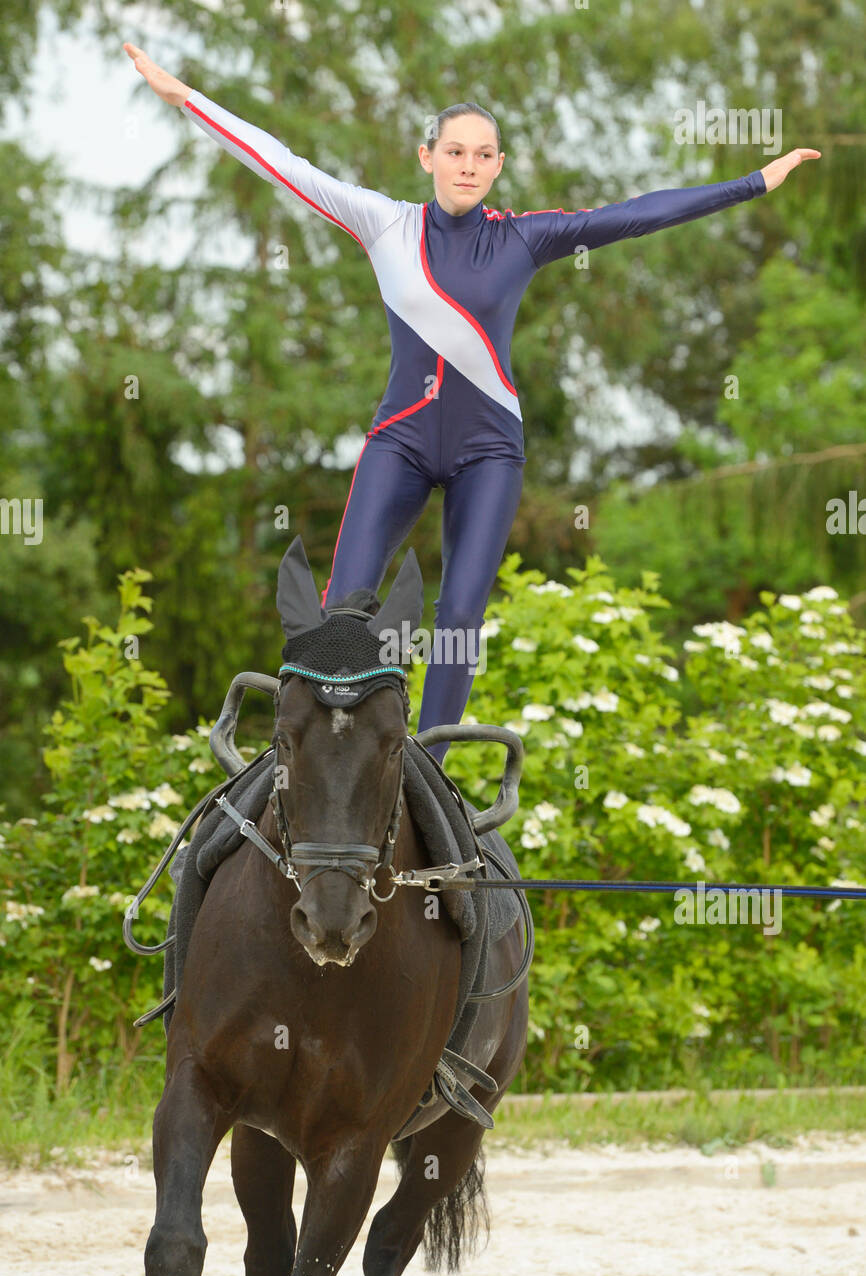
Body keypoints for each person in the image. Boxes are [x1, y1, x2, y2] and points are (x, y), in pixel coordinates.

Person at [123, 43, 819, 764]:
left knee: (457, 614)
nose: (466, 165)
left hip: (489, 452)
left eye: (482, 155)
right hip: (400, 441)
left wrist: (753, 184)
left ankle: (427, 768)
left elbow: (636, 215)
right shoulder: (384, 223)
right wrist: (185, 98)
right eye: (453, 151)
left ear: (497, 166)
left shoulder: (525, 237)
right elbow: (283, 162)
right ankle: (312, 756)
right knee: (341, 609)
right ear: (426, 156)